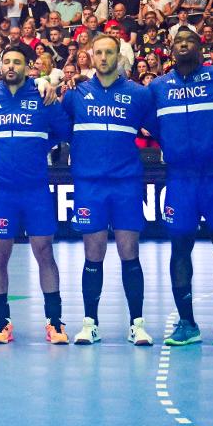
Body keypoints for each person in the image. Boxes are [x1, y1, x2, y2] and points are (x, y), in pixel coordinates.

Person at [0, 45, 70, 344]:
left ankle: (55, 322)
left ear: (28, 66)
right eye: (6, 61)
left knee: (45, 252)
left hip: (36, 191)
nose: (10, 66)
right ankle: (2, 322)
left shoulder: (43, 97)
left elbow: (64, 129)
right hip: (1, 192)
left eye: (17, 62)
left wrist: (40, 145)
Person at [148, 29, 213, 348]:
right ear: (170, 49)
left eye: (189, 40)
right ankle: (186, 323)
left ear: (201, 48)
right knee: (179, 249)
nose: (183, 44)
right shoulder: (158, 87)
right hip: (179, 179)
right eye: (178, 41)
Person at [61, 33, 155, 346]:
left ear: (119, 56)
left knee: (130, 253)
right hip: (89, 185)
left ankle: (137, 324)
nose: (103, 58)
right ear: (90, 55)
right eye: (98, 52)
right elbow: (53, 119)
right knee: (93, 254)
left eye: (109, 52)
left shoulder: (138, 95)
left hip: (126, 183)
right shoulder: (75, 93)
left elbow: (161, 127)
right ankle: (90, 323)